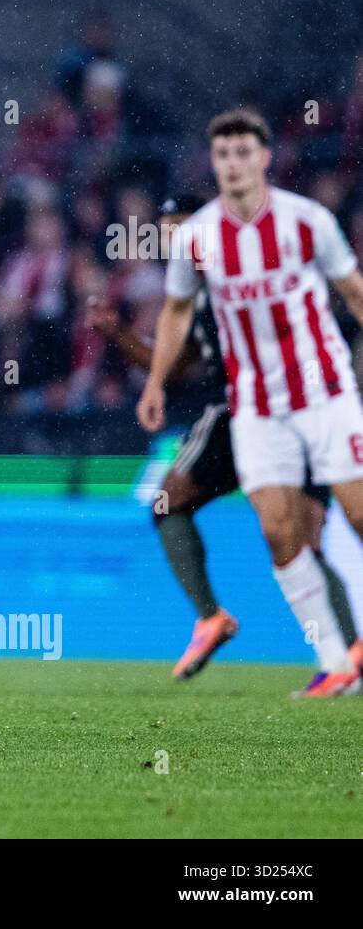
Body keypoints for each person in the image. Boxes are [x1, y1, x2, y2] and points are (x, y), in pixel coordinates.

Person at [137, 109, 363, 697]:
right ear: (214, 164)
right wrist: (156, 383)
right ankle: (336, 663)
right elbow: (177, 312)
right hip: (257, 407)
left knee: (359, 515)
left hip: (325, 392)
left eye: (244, 152)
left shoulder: (307, 221)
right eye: (223, 154)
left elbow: (351, 289)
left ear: (264, 158)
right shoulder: (196, 238)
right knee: (279, 533)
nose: (234, 163)